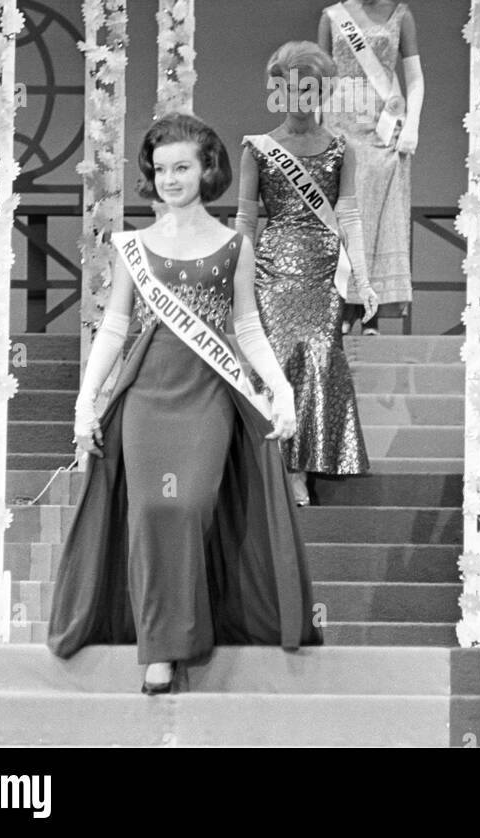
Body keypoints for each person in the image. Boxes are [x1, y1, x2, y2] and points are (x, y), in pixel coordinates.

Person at [46, 113, 321, 694]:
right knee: (152, 511)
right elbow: (115, 329)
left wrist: (281, 387)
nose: (170, 178)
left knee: (187, 506)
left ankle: (186, 631)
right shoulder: (133, 247)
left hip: (208, 393)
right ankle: (163, 649)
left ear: (207, 169)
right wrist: (85, 401)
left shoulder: (232, 245)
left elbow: (247, 328)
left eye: (182, 167)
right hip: (147, 392)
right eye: (161, 168)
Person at [235, 42, 377, 507]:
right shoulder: (257, 149)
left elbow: (350, 217)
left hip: (323, 272)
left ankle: (302, 465)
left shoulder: (341, 149)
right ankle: (278, 467)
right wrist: (241, 278)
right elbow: (245, 222)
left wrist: (365, 279)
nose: (301, 98)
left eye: (311, 89)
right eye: (292, 89)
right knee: (277, 358)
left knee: (317, 358)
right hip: (272, 270)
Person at [318, 0, 424, 334]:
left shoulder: (401, 16)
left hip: (384, 132)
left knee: (378, 220)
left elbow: (414, 79)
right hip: (341, 130)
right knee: (344, 219)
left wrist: (411, 125)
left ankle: (372, 314)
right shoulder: (332, 18)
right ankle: (343, 311)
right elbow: (319, 79)